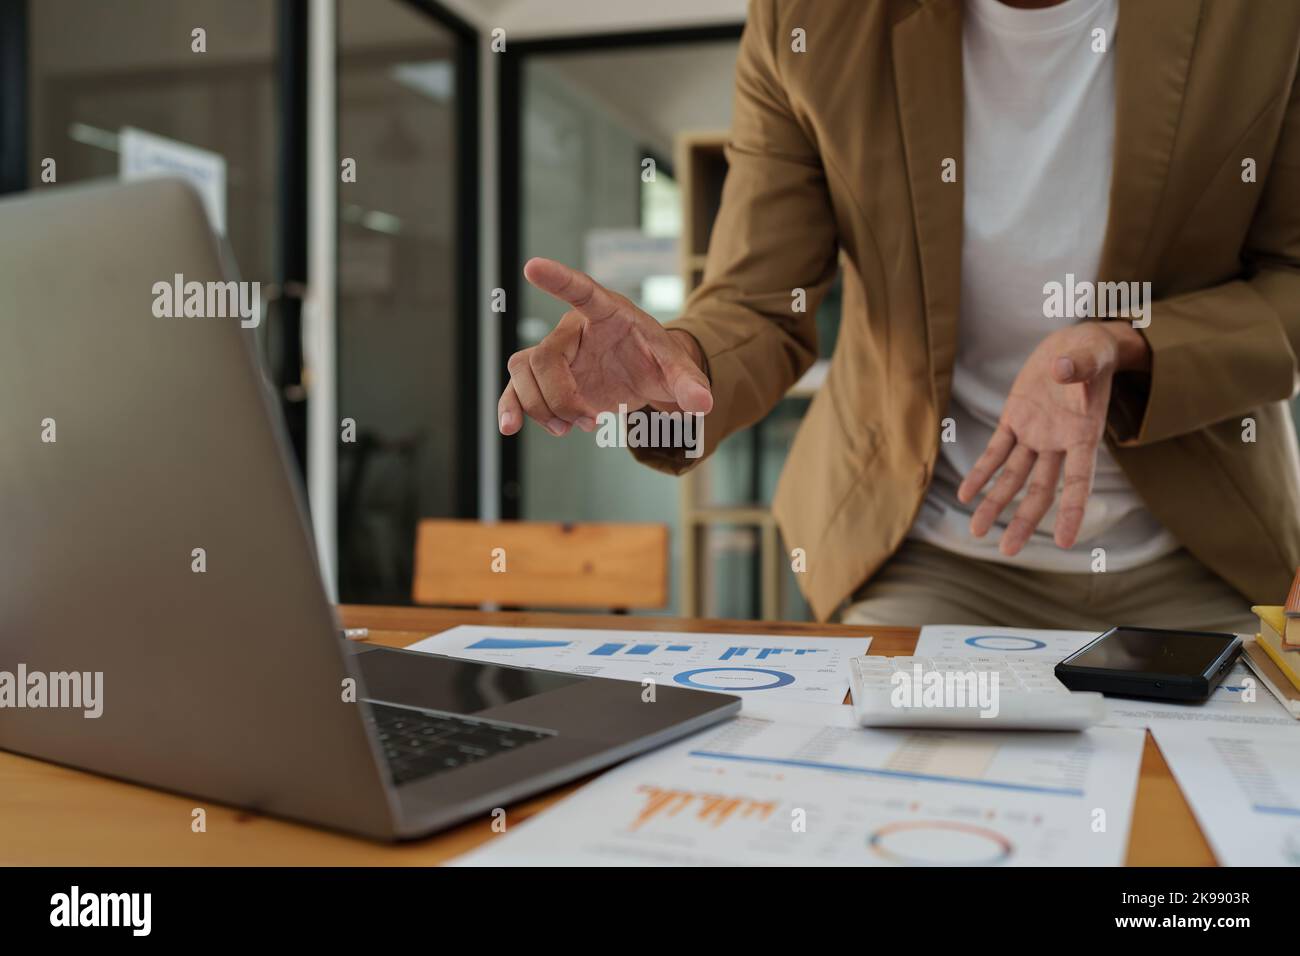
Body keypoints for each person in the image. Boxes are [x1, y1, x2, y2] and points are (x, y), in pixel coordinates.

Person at [498, 0, 1300, 632]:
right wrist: (669, 364)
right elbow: (759, 300)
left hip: (1203, 554)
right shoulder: (806, 21)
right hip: (931, 559)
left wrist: (1130, 345)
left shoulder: (1264, 18)